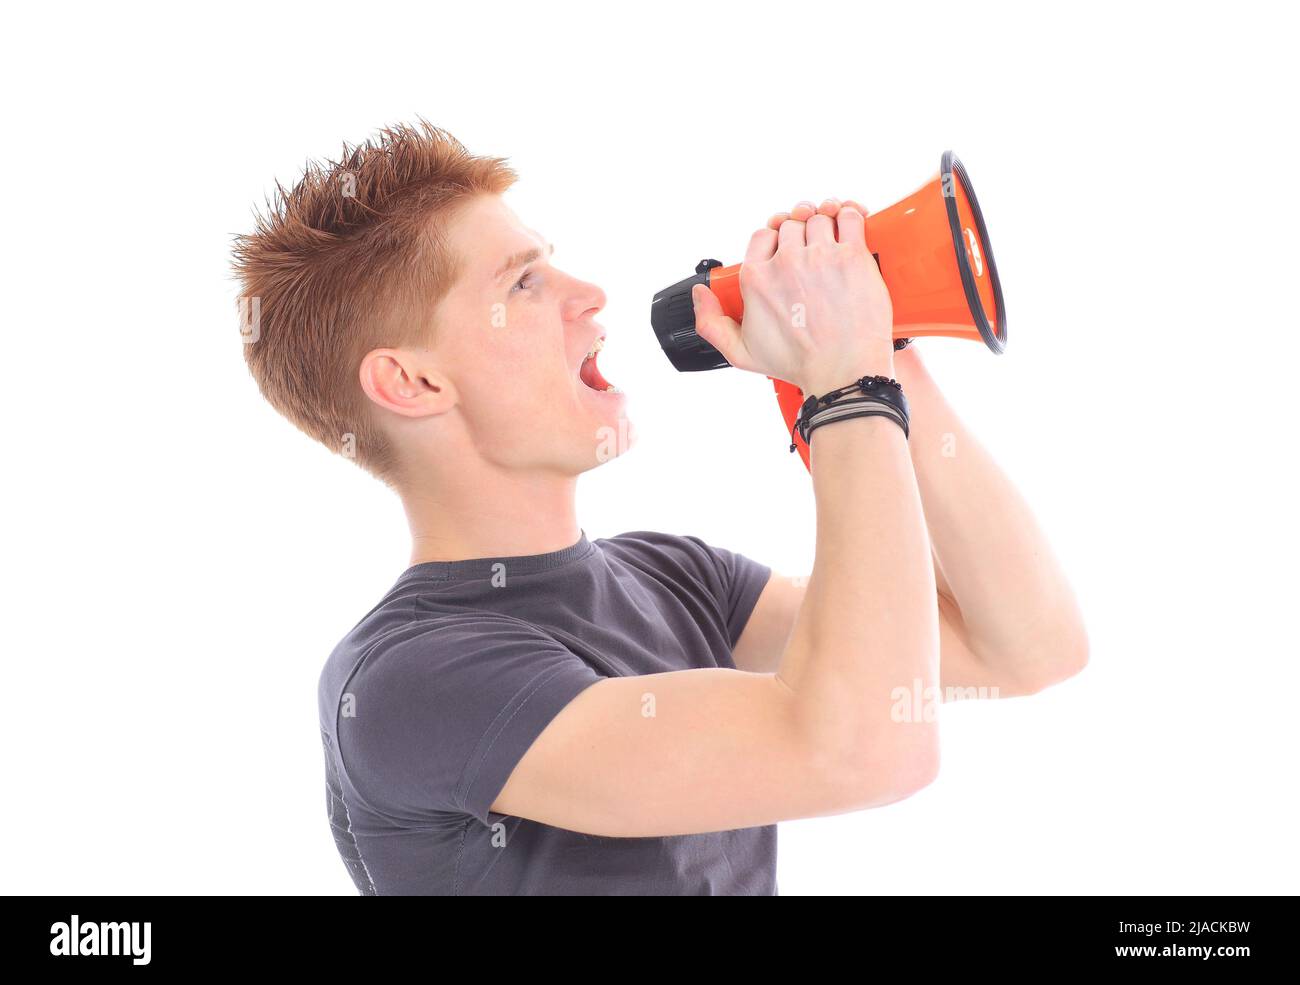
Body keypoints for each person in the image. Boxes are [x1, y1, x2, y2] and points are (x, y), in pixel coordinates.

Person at [233, 122, 1088, 895]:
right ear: (412, 382)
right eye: (525, 283)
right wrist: (845, 384)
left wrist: (883, 353)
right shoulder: (408, 680)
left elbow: (1025, 648)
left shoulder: (673, 576)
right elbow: (868, 749)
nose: (588, 293)